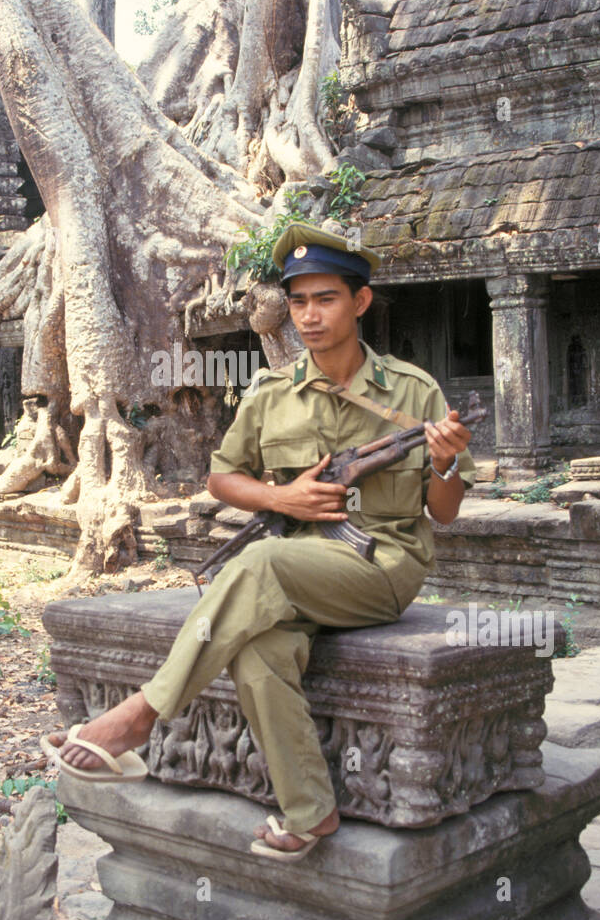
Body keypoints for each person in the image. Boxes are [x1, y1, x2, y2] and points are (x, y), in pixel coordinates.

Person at [48, 223, 477, 861]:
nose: (309, 315)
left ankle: (141, 714)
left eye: (325, 299)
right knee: (259, 653)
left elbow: (441, 514)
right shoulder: (272, 393)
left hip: (379, 565)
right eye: (298, 301)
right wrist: (282, 498)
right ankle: (311, 812)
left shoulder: (413, 392)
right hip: (296, 566)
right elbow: (222, 477)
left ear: (359, 303)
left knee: (262, 560)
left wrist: (444, 463)